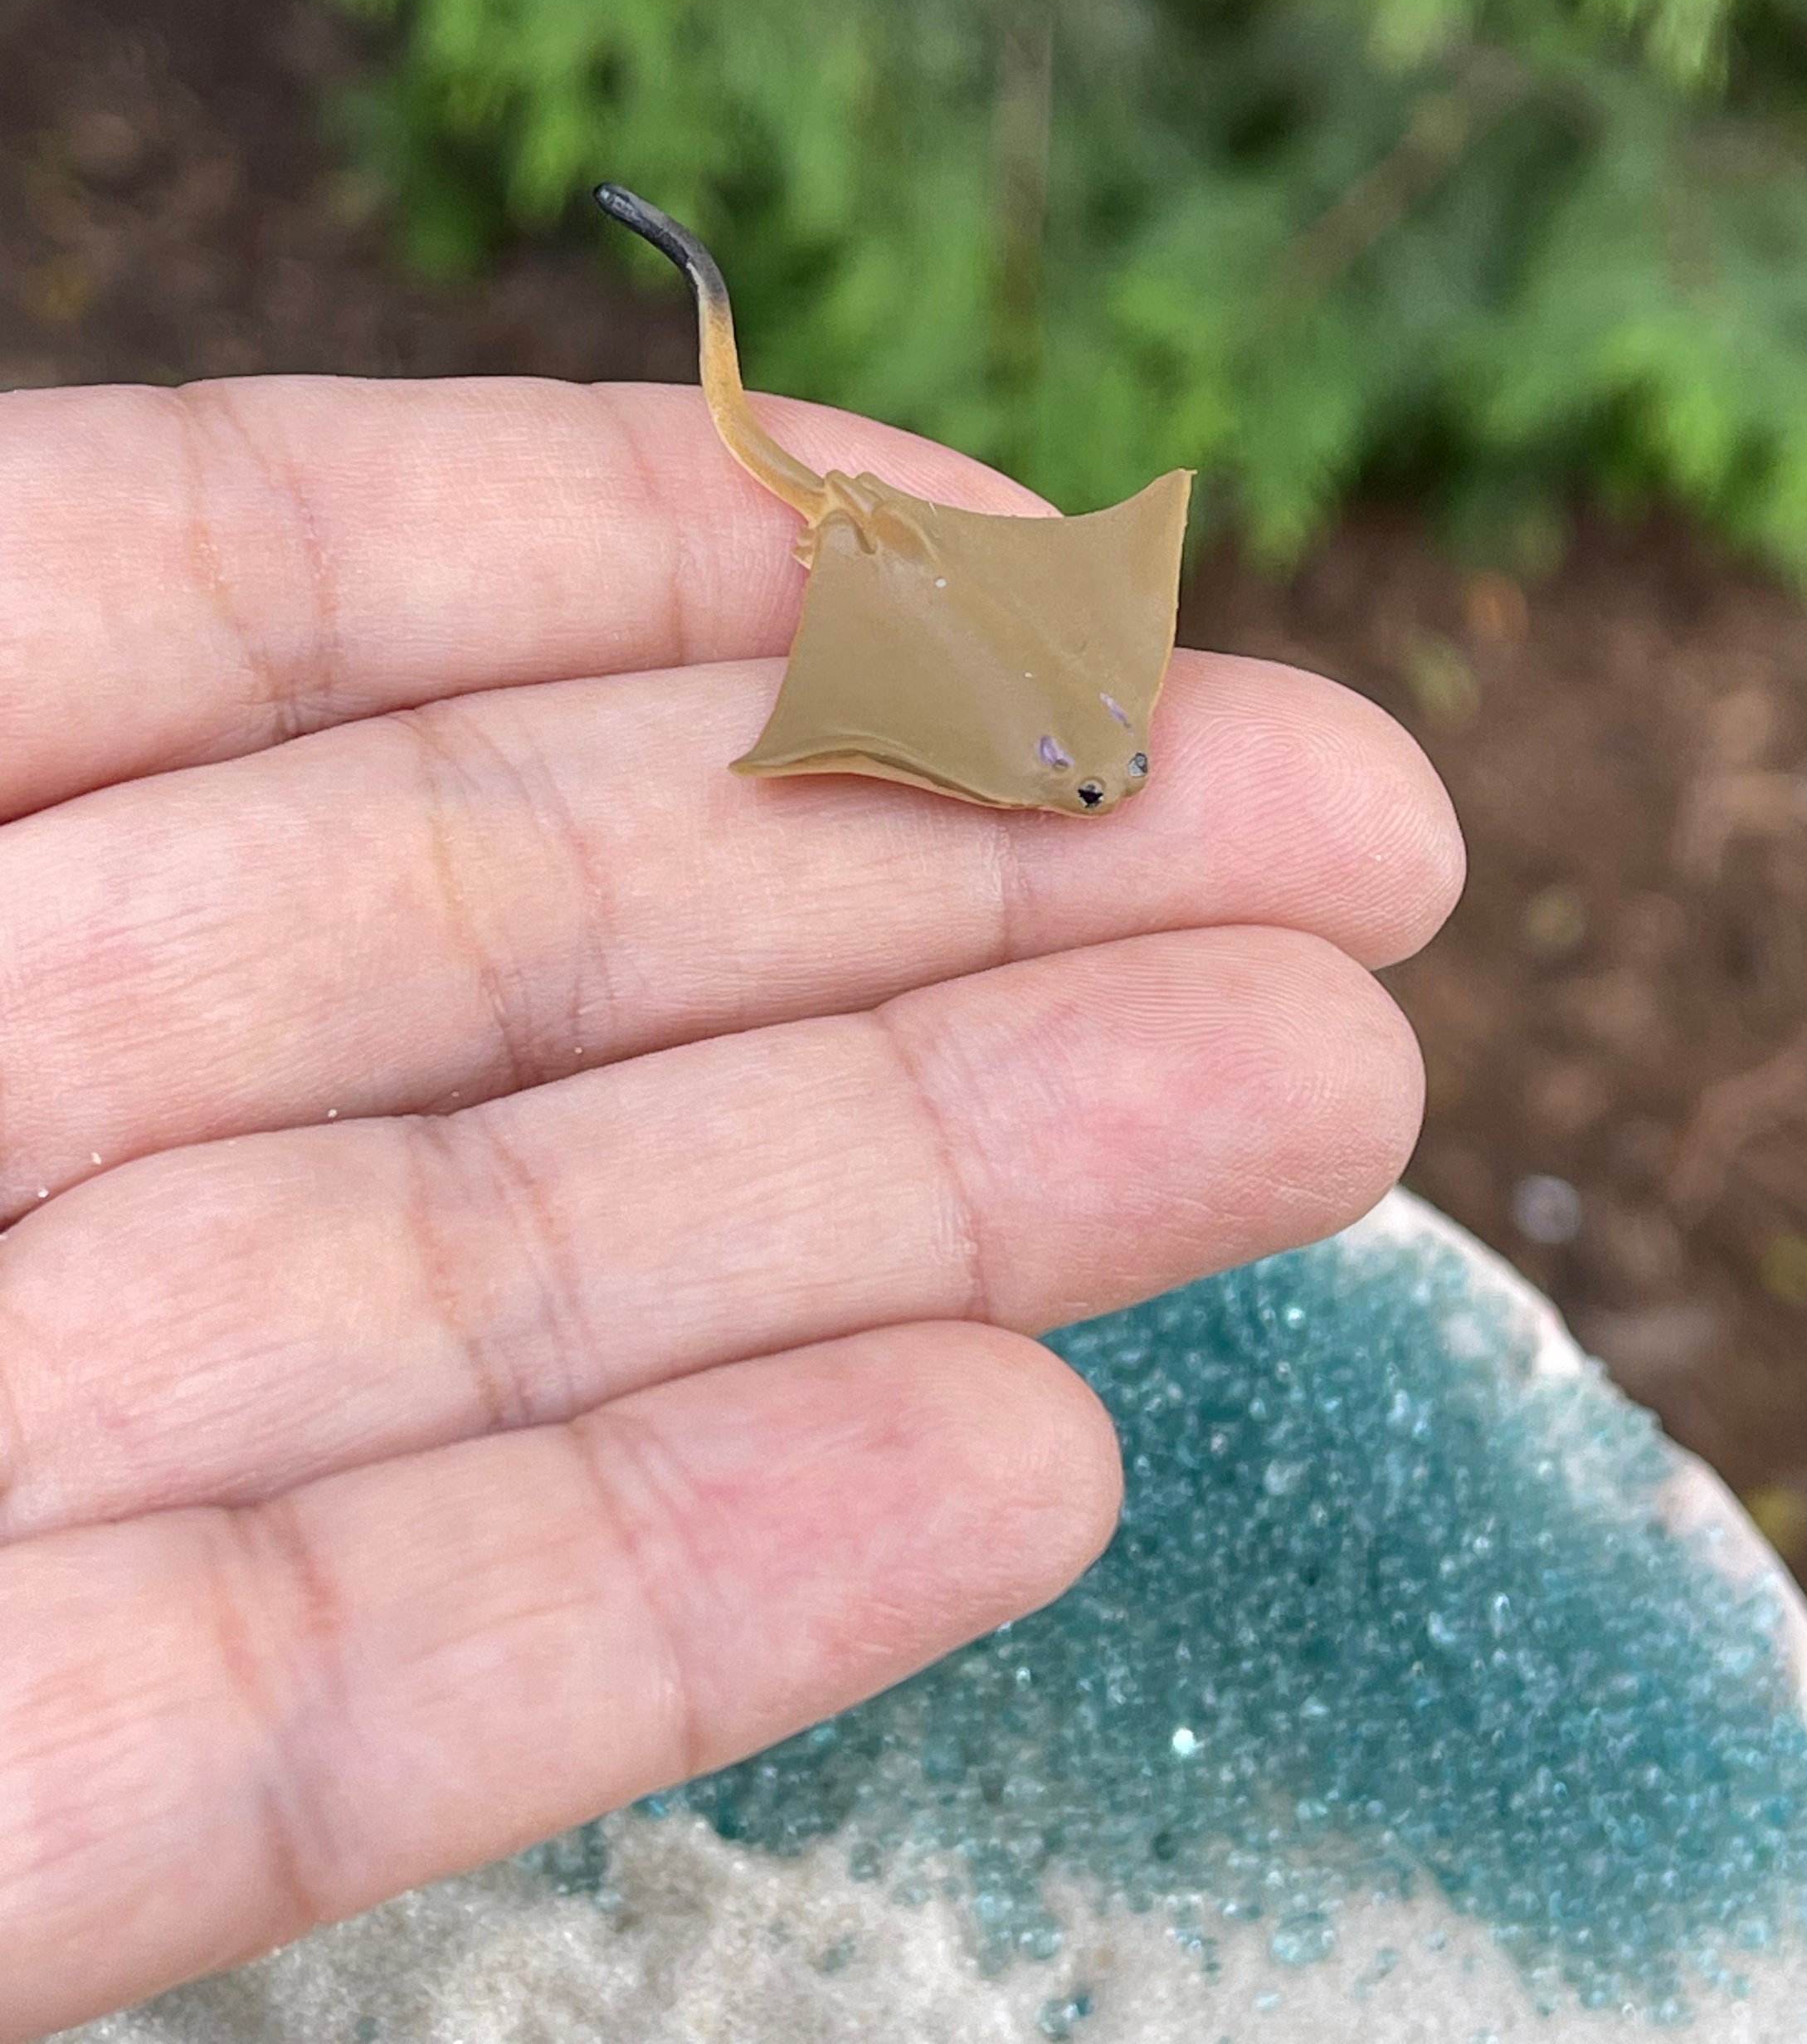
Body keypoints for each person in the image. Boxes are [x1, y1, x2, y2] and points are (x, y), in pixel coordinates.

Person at [0, 371, 1462, 2038]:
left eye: (1107, 767)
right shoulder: (912, 704)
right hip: (892, 604)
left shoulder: (1094, 671)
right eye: (1078, 782)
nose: (1107, 793)